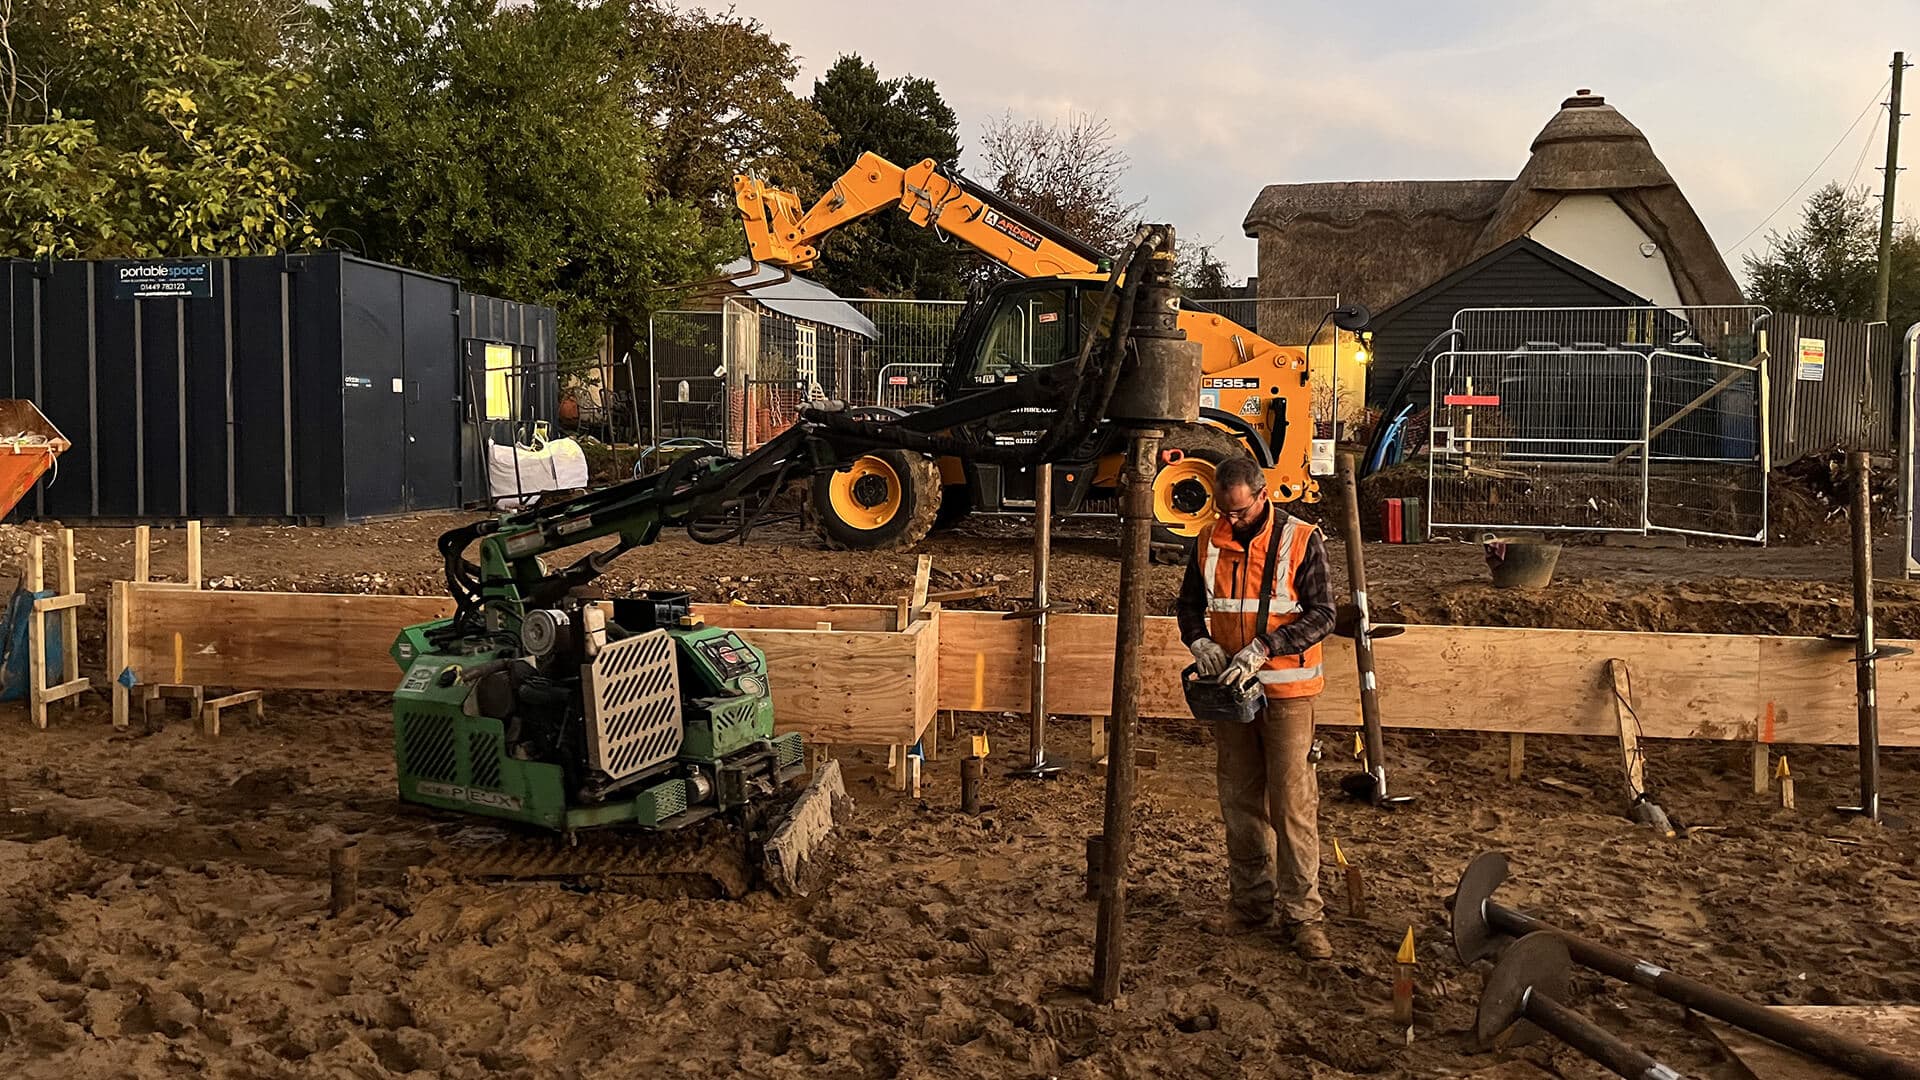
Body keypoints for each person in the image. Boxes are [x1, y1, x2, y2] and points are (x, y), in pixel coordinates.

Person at [1175, 454, 1336, 959]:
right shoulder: (1207, 542)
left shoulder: (1302, 540)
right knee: (1239, 801)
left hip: (1287, 691)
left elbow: (1324, 614)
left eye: (1239, 513)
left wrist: (1265, 647)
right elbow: (1187, 607)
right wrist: (1199, 642)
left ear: (1263, 496)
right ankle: (1250, 904)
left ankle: (1304, 916)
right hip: (1231, 693)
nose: (1231, 520)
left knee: (1291, 805)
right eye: (1224, 512)